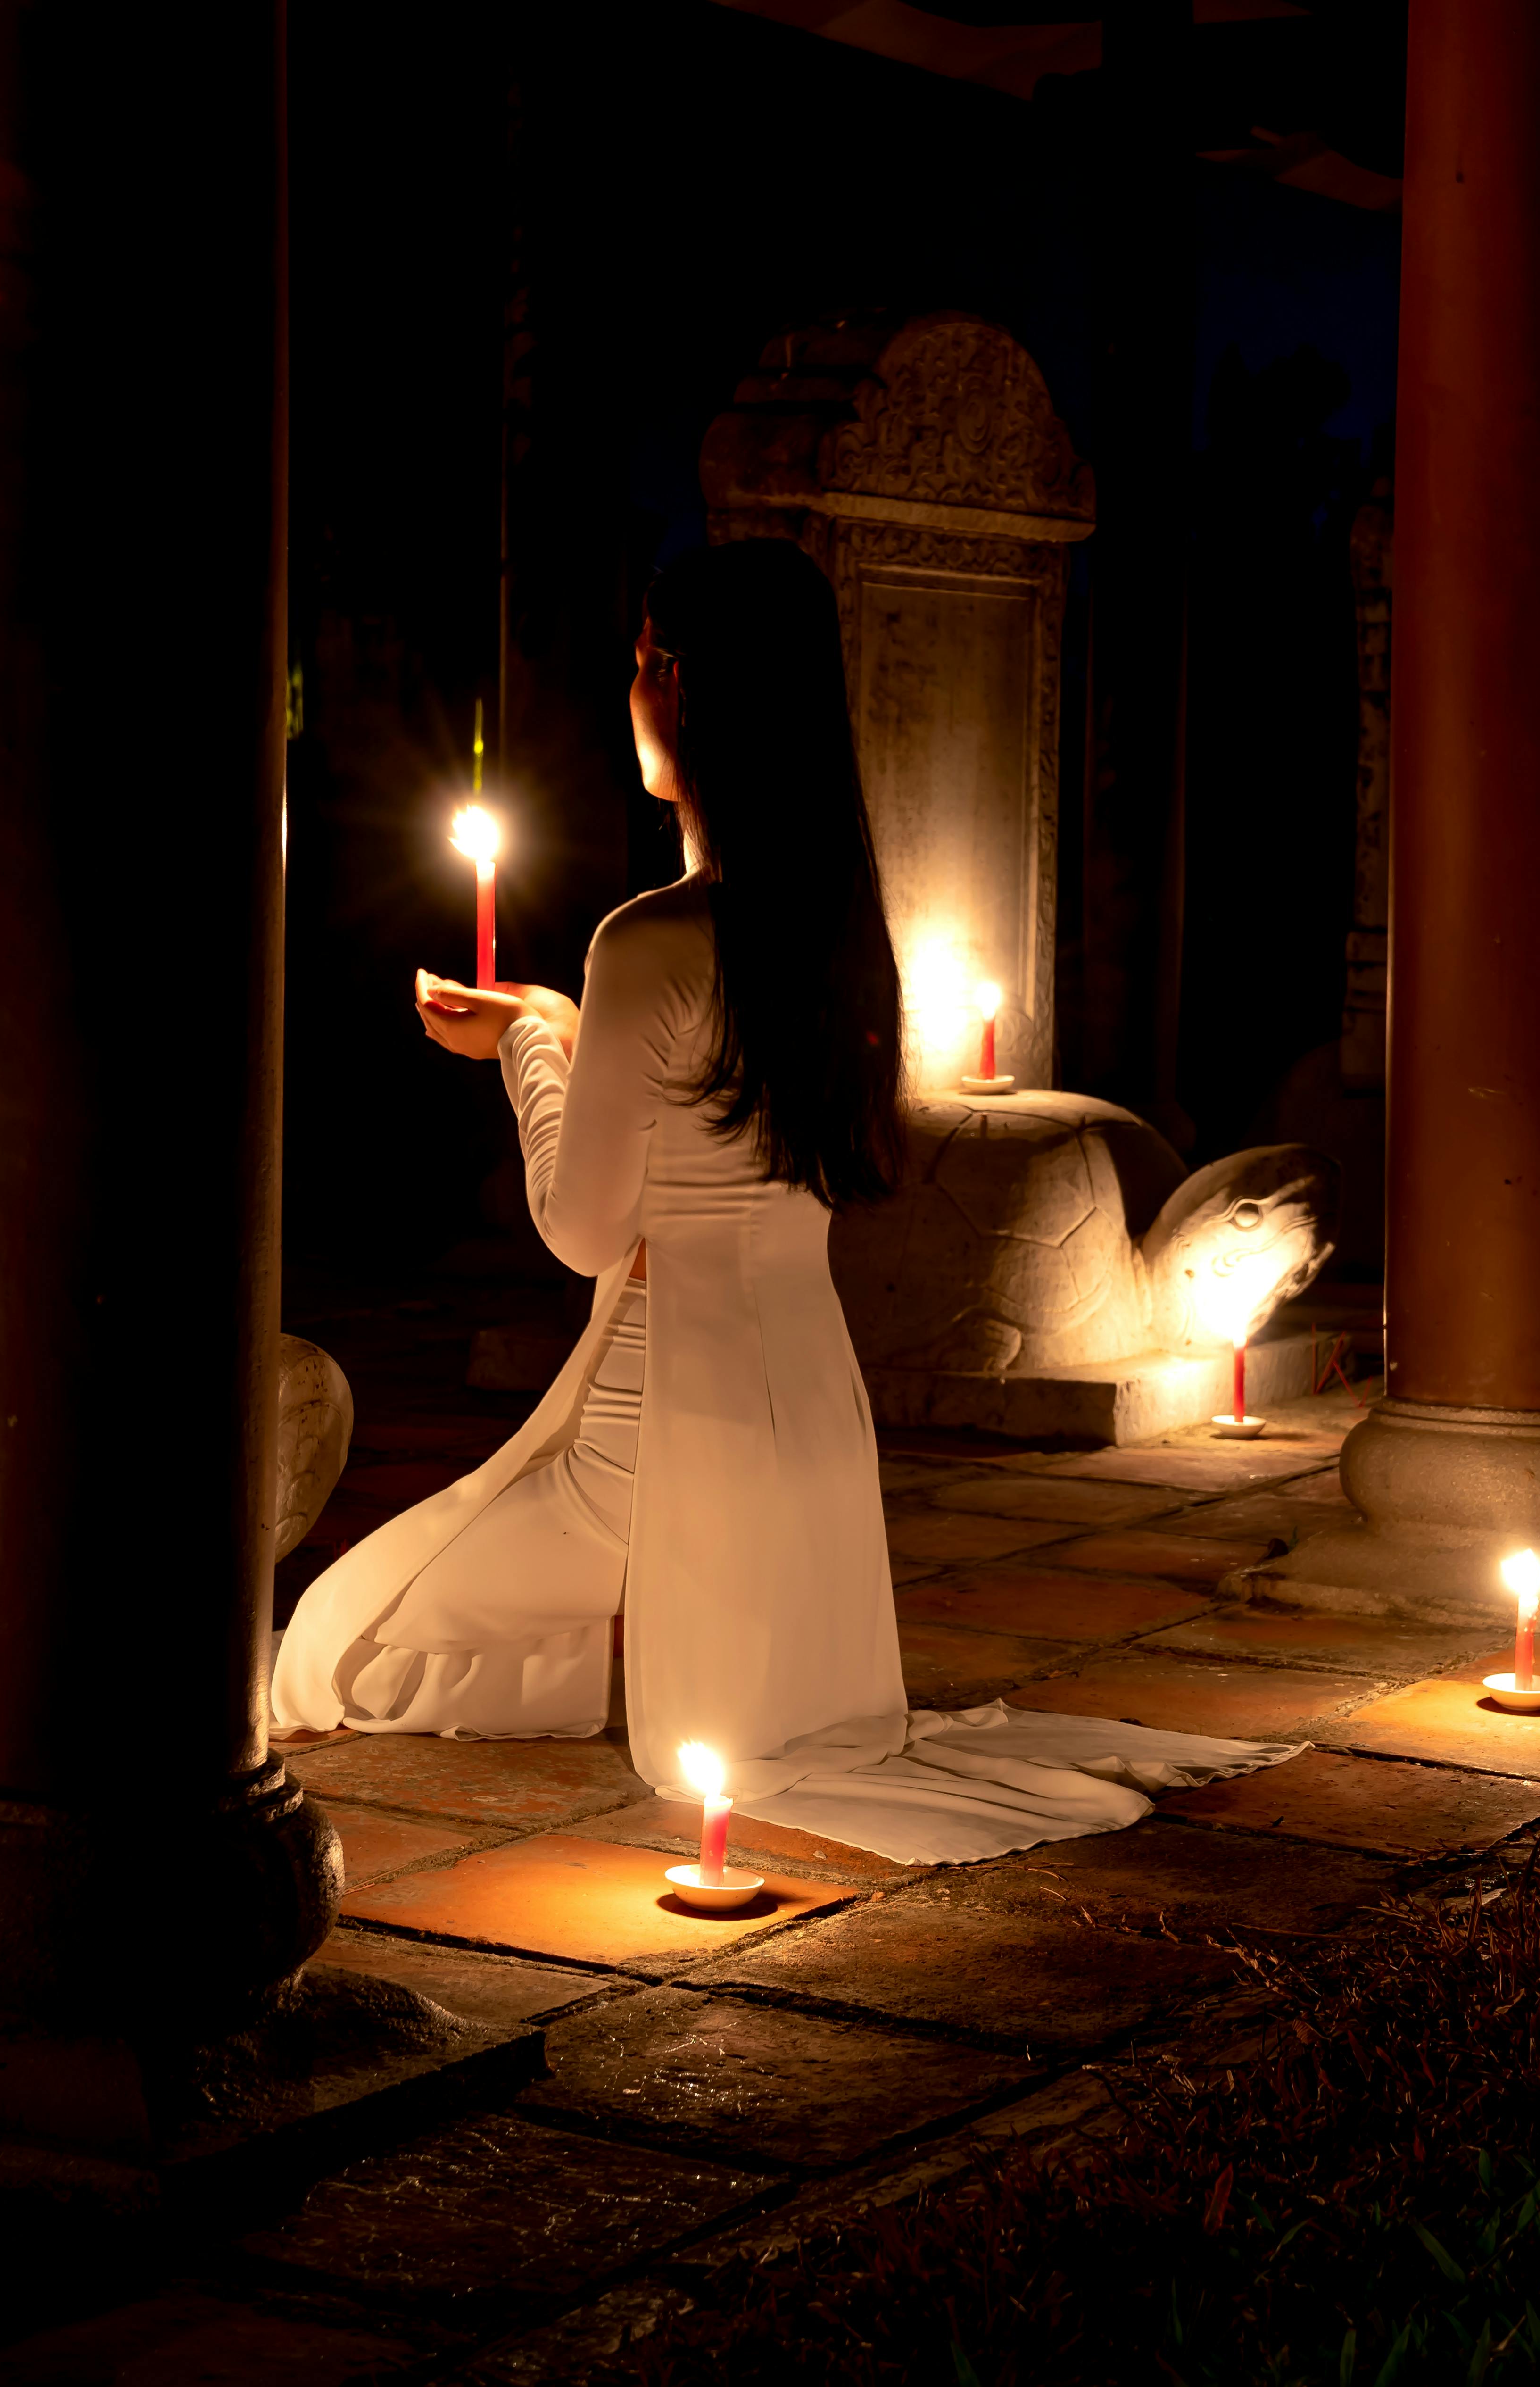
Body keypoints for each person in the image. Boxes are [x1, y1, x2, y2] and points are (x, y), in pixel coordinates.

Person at [269, 539, 1290, 1863]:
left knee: (331, 1651)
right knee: (404, 1637)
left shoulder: (652, 937)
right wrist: (576, 1037)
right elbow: (714, 1137)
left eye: (644, 662)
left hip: (657, 1417)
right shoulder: (833, 935)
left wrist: (527, 1048)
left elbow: (583, 1229)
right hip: (804, 1394)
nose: (628, 688)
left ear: (691, 689)